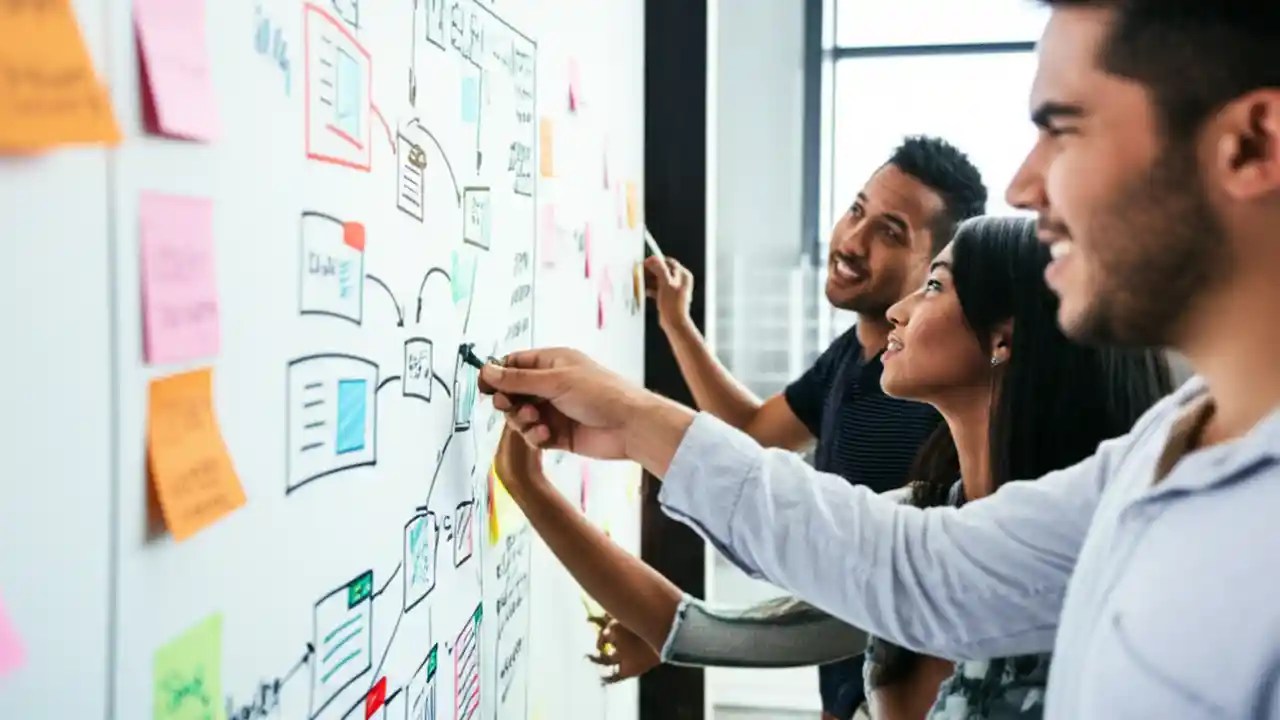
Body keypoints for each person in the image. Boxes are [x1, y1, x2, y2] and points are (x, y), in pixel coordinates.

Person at [478, 2, 1280, 716]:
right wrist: (628, 411)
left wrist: (630, 417)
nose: (1025, 183)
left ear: (1251, 145)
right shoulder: (1158, 448)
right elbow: (915, 568)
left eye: (1064, 127)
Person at [491, 217, 1173, 718]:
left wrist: (633, 415)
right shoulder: (918, 520)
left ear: (1003, 338)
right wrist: (532, 485)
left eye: (933, 284)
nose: (903, 307)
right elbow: (708, 631)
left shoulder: (1095, 575)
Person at [641, 134, 987, 719]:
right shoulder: (850, 354)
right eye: (857, 210)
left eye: (890, 232)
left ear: (936, 269)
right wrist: (677, 322)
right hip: (846, 688)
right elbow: (751, 428)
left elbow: (873, 585)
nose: (852, 241)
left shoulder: (926, 399)